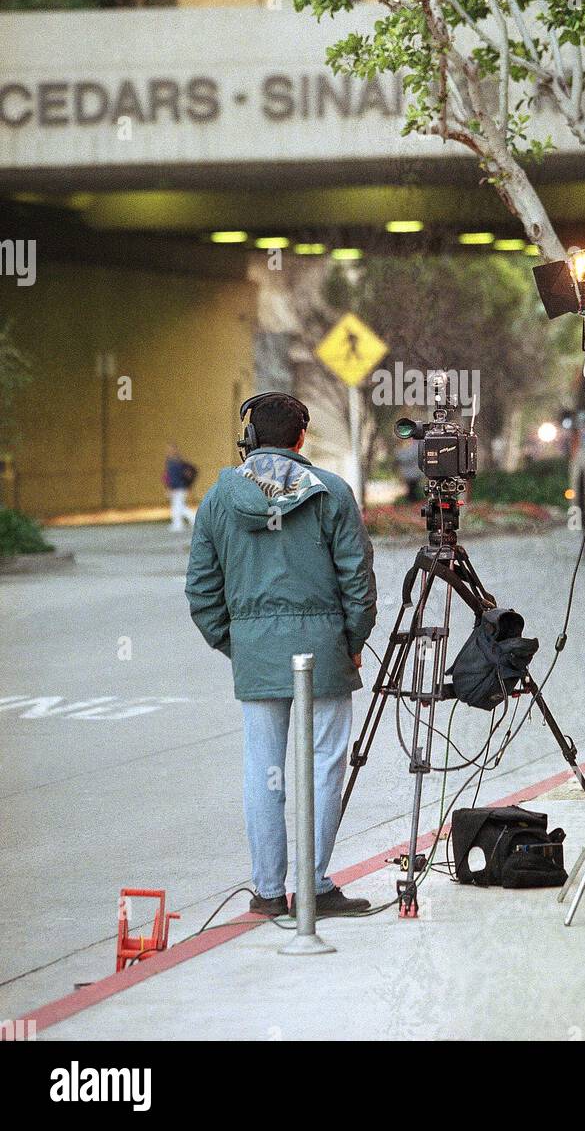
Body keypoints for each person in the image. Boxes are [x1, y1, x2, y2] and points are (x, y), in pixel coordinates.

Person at [185, 392, 377, 918]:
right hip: (325, 655)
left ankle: (268, 893)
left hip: (258, 656)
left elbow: (201, 590)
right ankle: (312, 887)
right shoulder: (332, 492)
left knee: (263, 770)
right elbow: (358, 581)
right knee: (323, 766)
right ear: (300, 439)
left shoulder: (219, 500)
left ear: (248, 439)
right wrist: (353, 642)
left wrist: (240, 644)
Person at [163, 445, 197, 531]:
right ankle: (189, 520)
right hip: (180, 487)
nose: (168, 451)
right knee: (179, 506)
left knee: (177, 506)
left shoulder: (175, 463)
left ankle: (178, 524)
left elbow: (174, 477)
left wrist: (171, 487)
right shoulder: (174, 462)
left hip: (178, 487)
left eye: (170, 450)